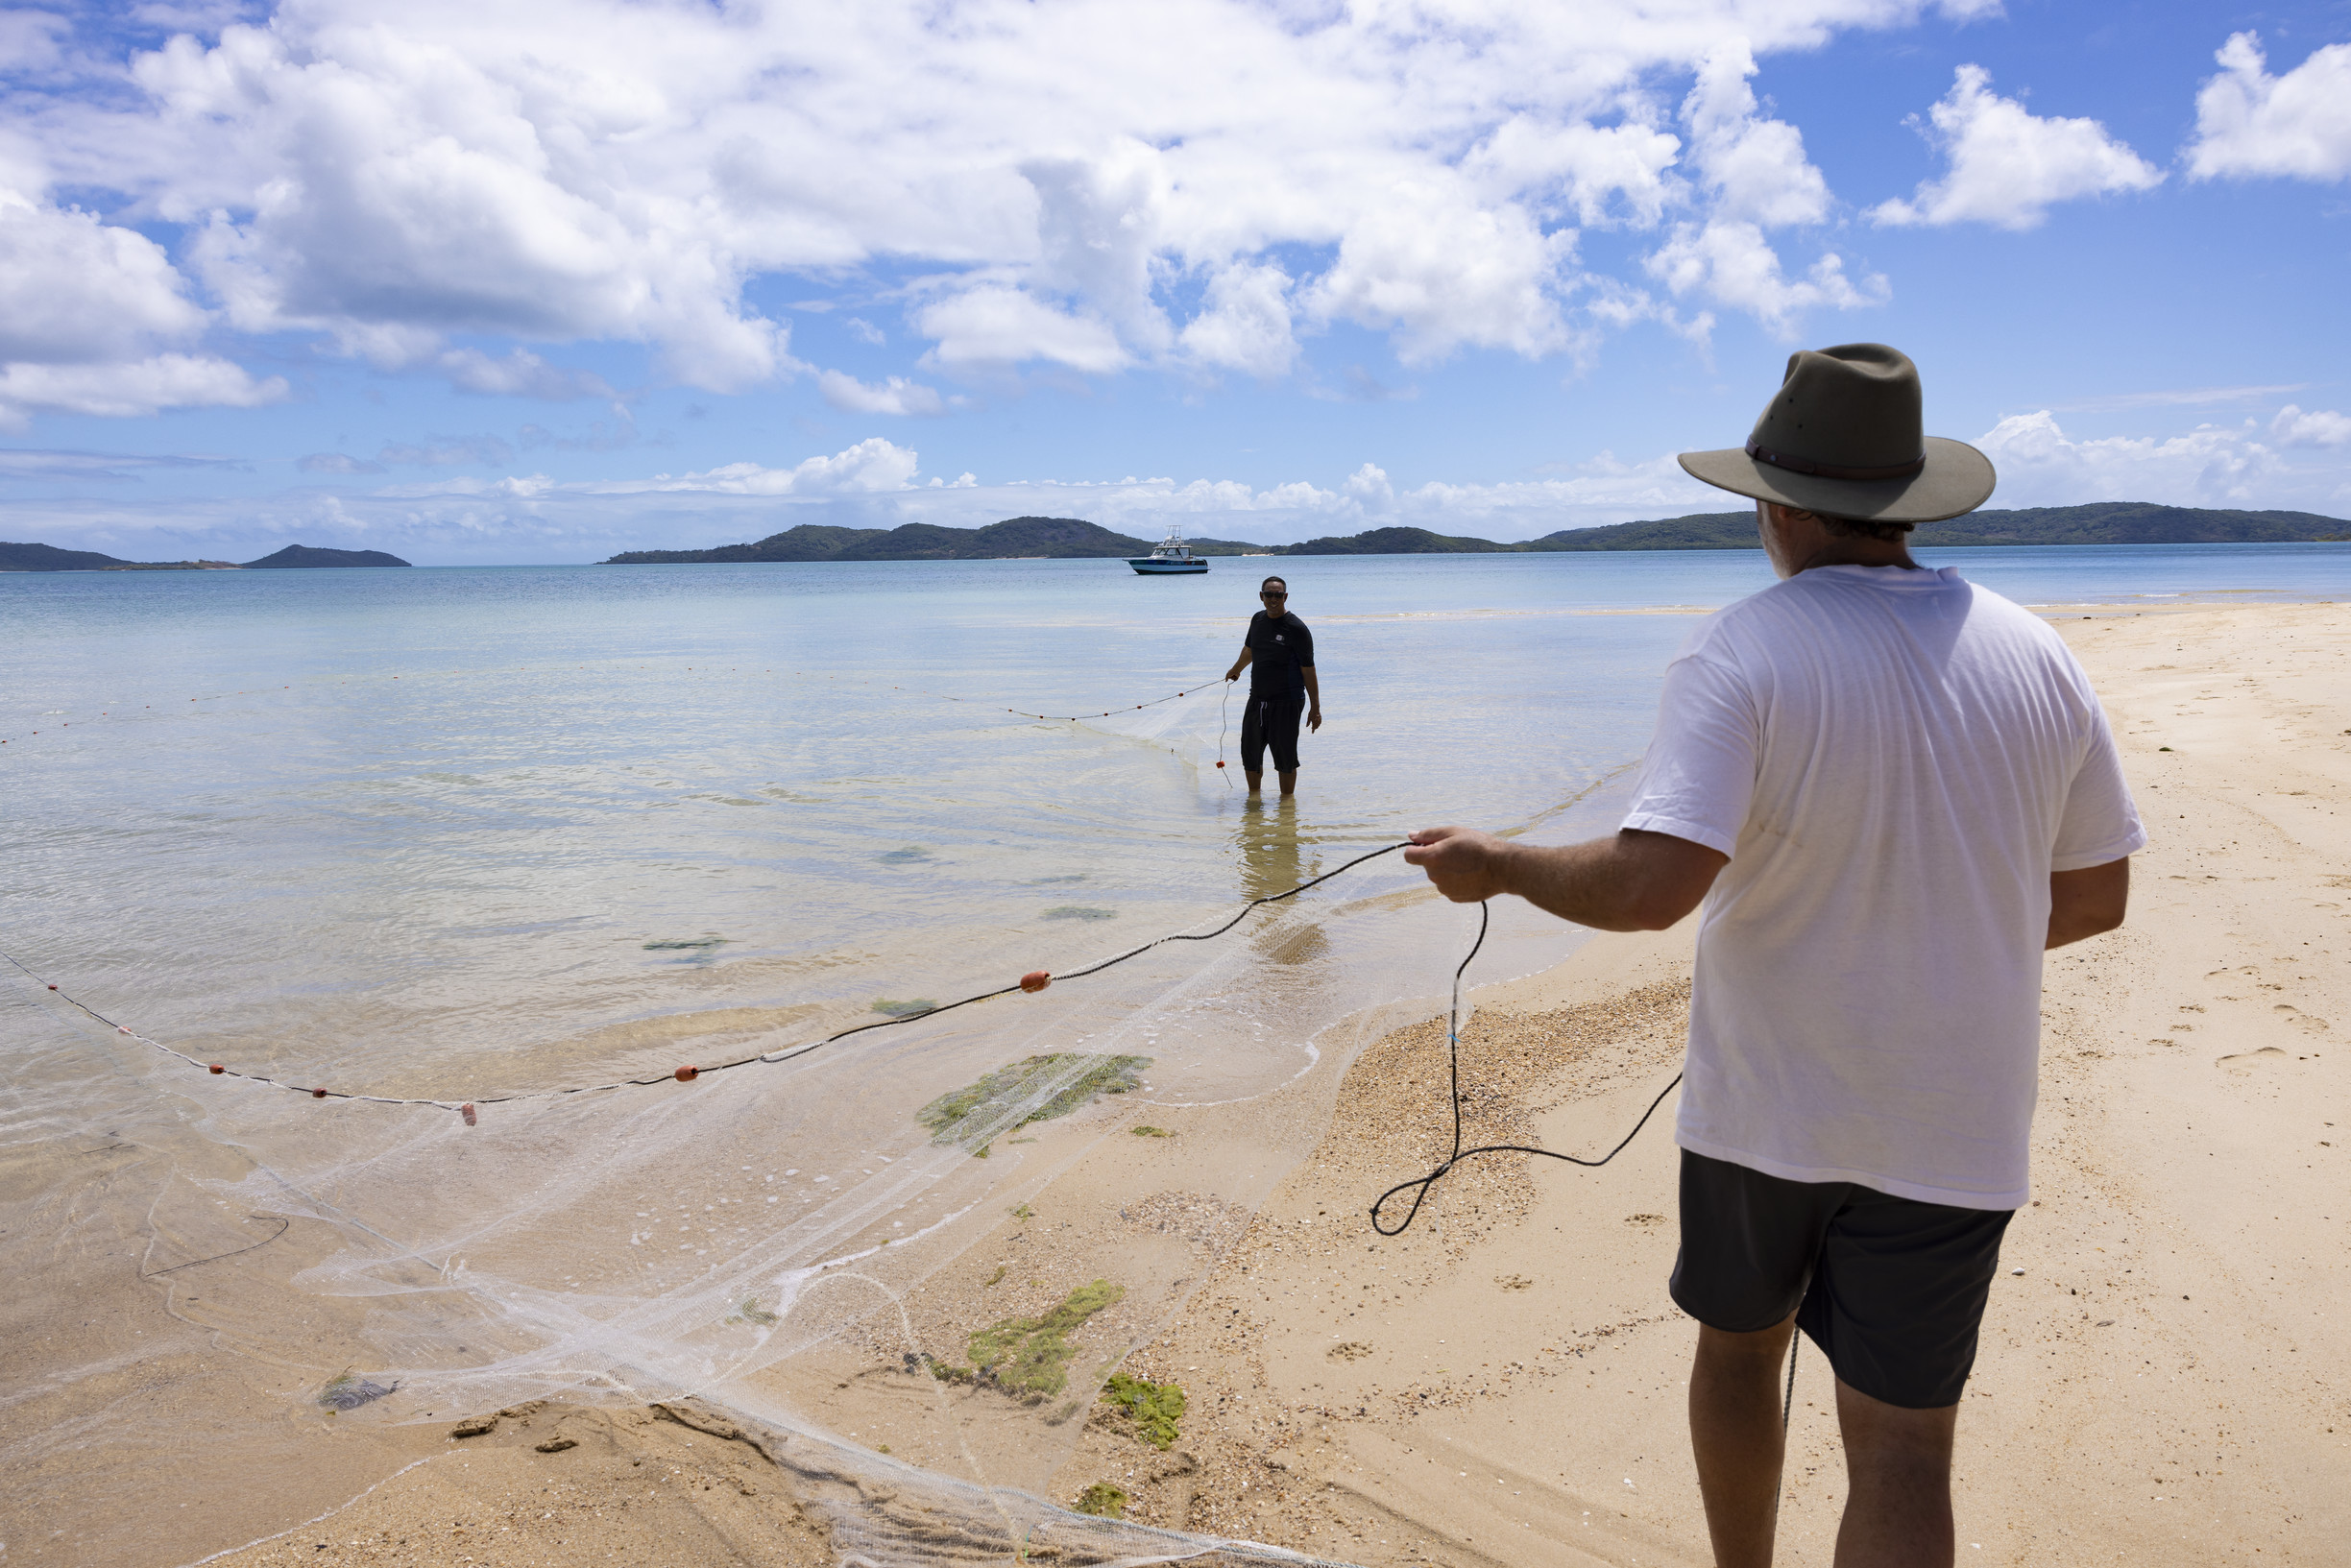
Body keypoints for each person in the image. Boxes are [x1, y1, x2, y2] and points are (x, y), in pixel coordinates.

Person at [1402, 343, 2145, 1568]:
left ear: (1780, 507)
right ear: (1903, 503)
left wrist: (1500, 864)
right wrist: (1931, 936)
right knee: (1907, 1448)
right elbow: (2097, 893)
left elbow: (1651, 889)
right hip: (1956, 1117)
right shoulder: (2035, 653)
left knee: (1741, 1350)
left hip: (1767, 1115)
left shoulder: (1742, 649)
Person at [1224, 575, 1321, 797]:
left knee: (1285, 757)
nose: (1273, 599)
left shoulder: (1297, 628)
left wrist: (1315, 708)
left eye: (1278, 595)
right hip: (1257, 699)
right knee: (1250, 752)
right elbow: (1249, 650)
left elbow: (1309, 669)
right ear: (1261, 596)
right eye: (1269, 594)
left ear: (1285, 596)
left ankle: (1287, 808)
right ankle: (1254, 801)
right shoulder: (1257, 620)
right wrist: (1236, 669)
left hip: (1287, 701)